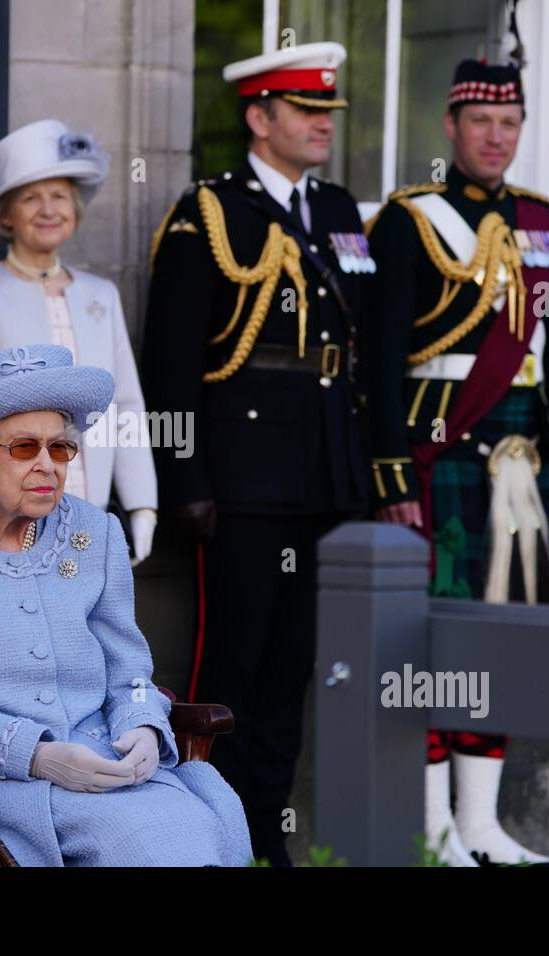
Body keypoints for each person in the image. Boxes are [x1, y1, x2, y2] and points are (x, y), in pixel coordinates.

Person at [0, 344, 251, 866]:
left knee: (209, 820)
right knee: (143, 841)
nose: (48, 465)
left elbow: (130, 671)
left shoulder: (98, 531)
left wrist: (141, 725)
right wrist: (39, 756)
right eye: (25, 448)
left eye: (61, 448)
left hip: (110, 764)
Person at [140, 41, 372, 866]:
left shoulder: (340, 210)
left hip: (323, 474)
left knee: (293, 669)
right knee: (231, 664)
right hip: (241, 477)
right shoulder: (209, 209)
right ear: (258, 117)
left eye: (326, 115)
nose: (321, 126)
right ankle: (214, 834)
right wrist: (187, 476)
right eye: (306, 112)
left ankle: (266, 831)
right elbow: (171, 356)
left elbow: (361, 347)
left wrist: (368, 471)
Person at [367, 56, 549, 866]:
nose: (497, 137)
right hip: (440, 445)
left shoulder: (540, 219)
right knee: (435, 643)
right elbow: (380, 360)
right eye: (481, 122)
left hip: (521, 459)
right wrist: (391, 472)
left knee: (503, 639)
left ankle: (483, 826)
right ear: (451, 128)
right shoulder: (410, 219)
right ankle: (433, 832)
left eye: (510, 123)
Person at [0, 119, 159, 563]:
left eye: (59, 196)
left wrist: (142, 504)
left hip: (90, 518)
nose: (48, 209)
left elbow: (126, 407)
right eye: (30, 198)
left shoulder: (101, 295)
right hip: (2, 523)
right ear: (6, 215)